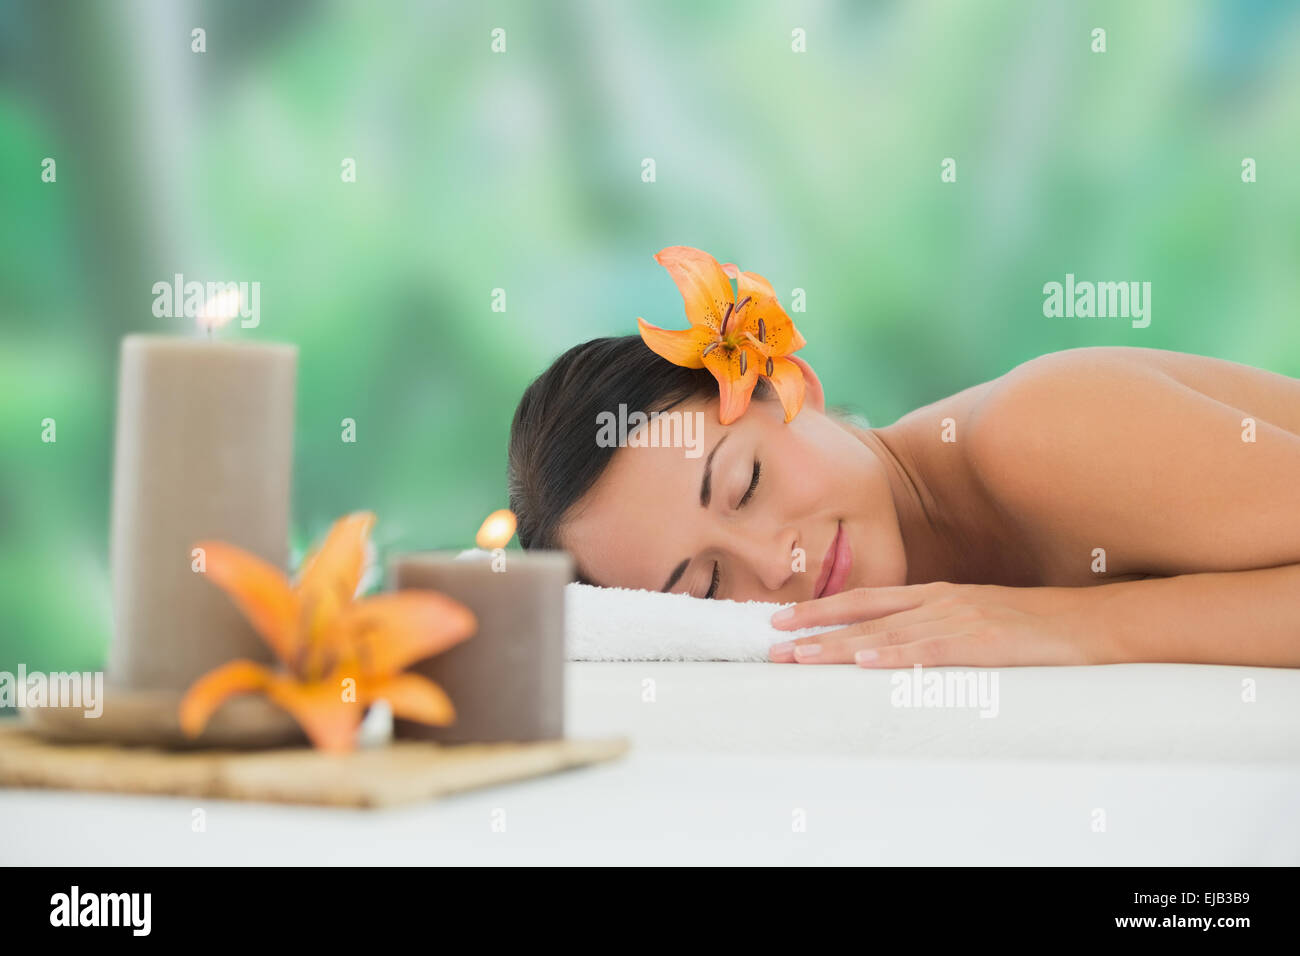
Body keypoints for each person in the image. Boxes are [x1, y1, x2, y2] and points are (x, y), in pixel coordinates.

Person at [507, 259, 1300, 669]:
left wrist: (1076, 628)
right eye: (708, 586)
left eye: (746, 486)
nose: (775, 562)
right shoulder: (894, 636)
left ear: (795, 388)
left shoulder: (1036, 434)